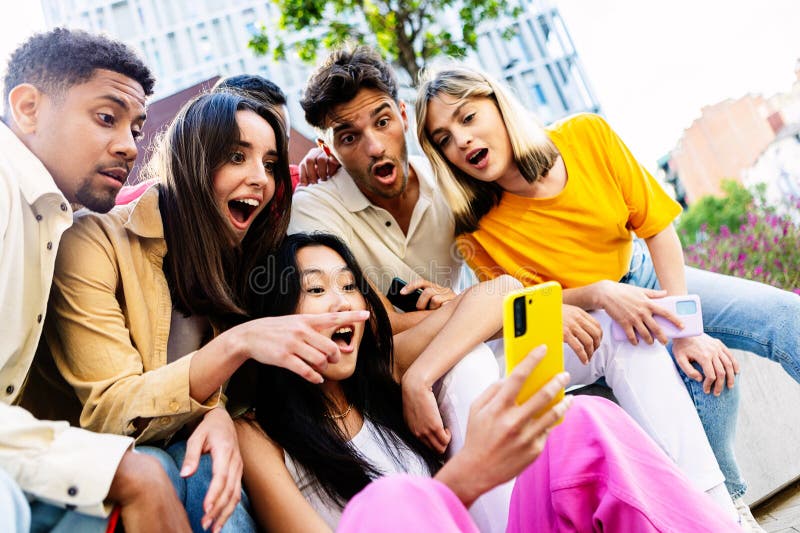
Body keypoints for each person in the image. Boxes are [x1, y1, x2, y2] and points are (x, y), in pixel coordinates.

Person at [288, 45, 736, 527]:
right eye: (348, 137)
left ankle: (713, 514)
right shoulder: (316, 209)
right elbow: (375, 327)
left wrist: (512, 304)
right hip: (404, 370)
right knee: (467, 362)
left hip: (480, 331)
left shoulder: (451, 184)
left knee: (623, 330)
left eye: (381, 122)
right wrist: (475, 305)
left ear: (401, 115)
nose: (374, 146)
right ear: (329, 147)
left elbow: (501, 292)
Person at [416, 64, 800, 531]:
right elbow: (527, 307)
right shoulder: (476, 228)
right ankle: (727, 509)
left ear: (498, 106)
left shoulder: (587, 135)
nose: (461, 140)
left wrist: (684, 331)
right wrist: (600, 294)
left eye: (467, 117)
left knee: (785, 316)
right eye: (442, 138)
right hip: (588, 314)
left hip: (645, 272)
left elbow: (658, 229)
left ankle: (722, 506)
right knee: (701, 374)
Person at [234, 232, 740, 532]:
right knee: (386, 502)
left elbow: (498, 291)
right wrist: (465, 475)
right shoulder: (258, 434)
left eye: (349, 286)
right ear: (277, 314)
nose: (343, 301)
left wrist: (419, 380)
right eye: (316, 289)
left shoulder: (382, 371)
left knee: (584, 422)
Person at [34, 89, 371, 533]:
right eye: (236, 156)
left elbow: (249, 393)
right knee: (175, 464)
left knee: (209, 466)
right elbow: (111, 412)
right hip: (82, 465)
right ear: (193, 162)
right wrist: (236, 346)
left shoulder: (248, 258)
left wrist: (219, 414)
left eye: (270, 165)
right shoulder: (95, 241)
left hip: (192, 457)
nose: (260, 180)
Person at [0, 28, 192, 532]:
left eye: (135, 128)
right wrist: (123, 472)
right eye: (107, 118)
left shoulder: (54, 218)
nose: (129, 147)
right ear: (27, 109)